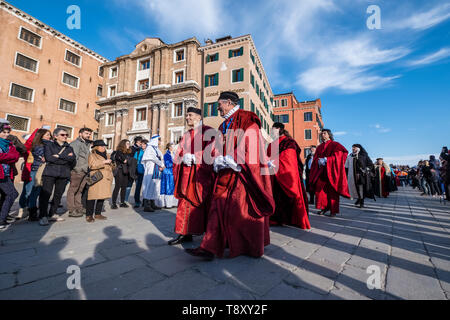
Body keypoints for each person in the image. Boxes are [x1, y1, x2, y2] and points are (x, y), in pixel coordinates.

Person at [186, 91, 275, 260]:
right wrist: (215, 158)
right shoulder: (222, 125)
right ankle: (209, 247)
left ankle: (247, 245)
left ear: (228, 102)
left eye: (219, 104)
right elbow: (216, 146)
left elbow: (251, 142)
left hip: (242, 173)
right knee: (217, 206)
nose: (217, 108)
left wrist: (233, 159)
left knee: (242, 211)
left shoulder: (247, 118)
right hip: (225, 172)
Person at [168, 107, 215, 246]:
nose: (187, 117)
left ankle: (210, 235)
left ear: (199, 117)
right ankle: (184, 233)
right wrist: (182, 159)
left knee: (205, 205)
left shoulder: (209, 131)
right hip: (186, 176)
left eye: (190, 115)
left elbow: (213, 151)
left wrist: (196, 157)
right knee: (184, 204)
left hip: (201, 176)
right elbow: (179, 154)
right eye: (187, 115)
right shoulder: (186, 134)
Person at [268, 123, 310, 229]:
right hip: (273, 175)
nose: (271, 131)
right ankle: (277, 219)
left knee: (287, 196)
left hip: (285, 173)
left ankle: (290, 219)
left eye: (272, 129)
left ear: (279, 129)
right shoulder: (271, 144)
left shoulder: (289, 141)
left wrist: (274, 162)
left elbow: (289, 157)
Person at [39, 128, 76, 226]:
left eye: (66, 135)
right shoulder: (49, 145)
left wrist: (59, 156)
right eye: (62, 135)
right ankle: (43, 216)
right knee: (46, 194)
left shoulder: (69, 147)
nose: (65, 136)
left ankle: (52, 213)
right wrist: (66, 158)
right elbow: (49, 158)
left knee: (58, 195)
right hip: (50, 172)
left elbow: (72, 160)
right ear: (55, 136)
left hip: (64, 173)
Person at [309, 129, 350, 217]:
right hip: (321, 172)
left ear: (329, 135)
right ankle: (324, 208)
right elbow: (316, 158)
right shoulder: (319, 147)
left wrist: (327, 159)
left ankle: (333, 210)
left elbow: (340, 156)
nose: (322, 135)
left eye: (324, 133)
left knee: (332, 191)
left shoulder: (335, 144)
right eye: (322, 133)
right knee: (321, 191)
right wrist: (318, 161)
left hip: (332, 172)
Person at [26, 129, 52, 221]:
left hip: (46, 170)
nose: (49, 136)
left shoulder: (48, 144)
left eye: (50, 135)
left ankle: (41, 211)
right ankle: (32, 213)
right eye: (47, 135)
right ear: (41, 135)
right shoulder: (38, 145)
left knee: (43, 192)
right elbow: (45, 158)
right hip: (37, 170)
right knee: (35, 191)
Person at [67, 128, 92, 218]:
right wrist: (77, 169)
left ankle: (79, 208)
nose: (88, 135)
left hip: (85, 171)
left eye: (89, 134)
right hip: (77, 171)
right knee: (72, 190)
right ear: (80, 134)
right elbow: (73, 158)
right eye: (86, 133)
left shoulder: (86, 144)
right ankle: (72, 210)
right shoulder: (75, 144)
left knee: (80, 191)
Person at [86, 140, 113, 223]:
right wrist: (104, 162)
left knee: (102, 197)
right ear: (97, 147)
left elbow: (109, 166)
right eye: (102, 146)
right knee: (92, 197)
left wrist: (112, 164)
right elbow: (92, 165)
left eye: (104, 146)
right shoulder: (92, 155)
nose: (104, 147)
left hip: (106, 178)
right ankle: (89, 215)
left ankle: (98, 214)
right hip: (96, 177)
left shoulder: (107, 155)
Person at [0, 123, 20, 229]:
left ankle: (2, 217)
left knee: (6, 195)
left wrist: (7, 157)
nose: (6, 134)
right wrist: (9, 157)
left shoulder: (9, 144)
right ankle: (1, 219)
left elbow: (16, 156)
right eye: (4, 132)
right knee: (12, 194)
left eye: (8, 132)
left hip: (7, 173)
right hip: (1, 174)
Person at [345, 144, 375, 208]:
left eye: (354, 148)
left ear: (358, 148)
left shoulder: (364, 156)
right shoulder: (349, 156)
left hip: (362, 175)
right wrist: (345, 175)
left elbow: (370, 164)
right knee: (354, 188)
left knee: (361, 188)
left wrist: (366, 169)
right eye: (352, 148)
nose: (353, 149)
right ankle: (359, 199)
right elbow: (346, 166)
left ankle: (362, 202)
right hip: (352, 176)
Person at [141, 135, 165, 212]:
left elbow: (161, 157)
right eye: (159, 140)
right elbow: (153, 158)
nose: (159, 142)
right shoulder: (149, 148)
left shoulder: (157, 149)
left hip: (157, 169)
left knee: (155, 186)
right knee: (149, 185)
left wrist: (161, 165)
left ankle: (152, 203)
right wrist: (161, 164)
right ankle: (147, 204)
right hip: (151, 169)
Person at [111, 140, 132, 209]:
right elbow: (124, 160)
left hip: (126, 171)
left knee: (124, 187)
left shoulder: (128, 152)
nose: (129, 145)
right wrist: (126, 160)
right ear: (123, 144)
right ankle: (113, 203)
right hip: (119, 171)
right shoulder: (119, 152)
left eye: (129, 143)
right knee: (117, 186)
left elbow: (128, 161)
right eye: (127, 144)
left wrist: (127, 160)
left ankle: (122, 202)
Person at [159, 143, 178, 209]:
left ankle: (174, 202)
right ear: (169, 147)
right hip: (168, 173)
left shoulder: (175, 154)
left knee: (173, 188)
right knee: (168, 188)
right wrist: (175, 163)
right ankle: (168, 203)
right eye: (172, 146)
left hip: (174, 173)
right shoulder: (166, 155)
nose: (173, 147)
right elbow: (167, 164)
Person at [133, 139, 148, 208]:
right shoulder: (138, 152)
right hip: (139, 171)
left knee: (147, 187)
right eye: (142, 144)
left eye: (144, 144)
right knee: (138, 187)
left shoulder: (149, 152)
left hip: (147, 172)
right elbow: (134, 161)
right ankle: (137, 201)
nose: (143, 145)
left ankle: (146, 201)